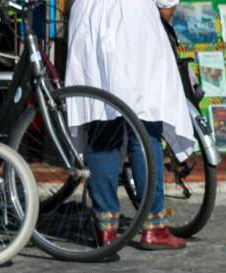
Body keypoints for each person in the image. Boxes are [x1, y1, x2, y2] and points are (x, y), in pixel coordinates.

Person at [65, 0, 195, 249]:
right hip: (133, 25)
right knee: (145, 127)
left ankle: (106, 229)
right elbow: (166, 6)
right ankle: (154, 226)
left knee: (101, 122)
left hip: (87, 20)